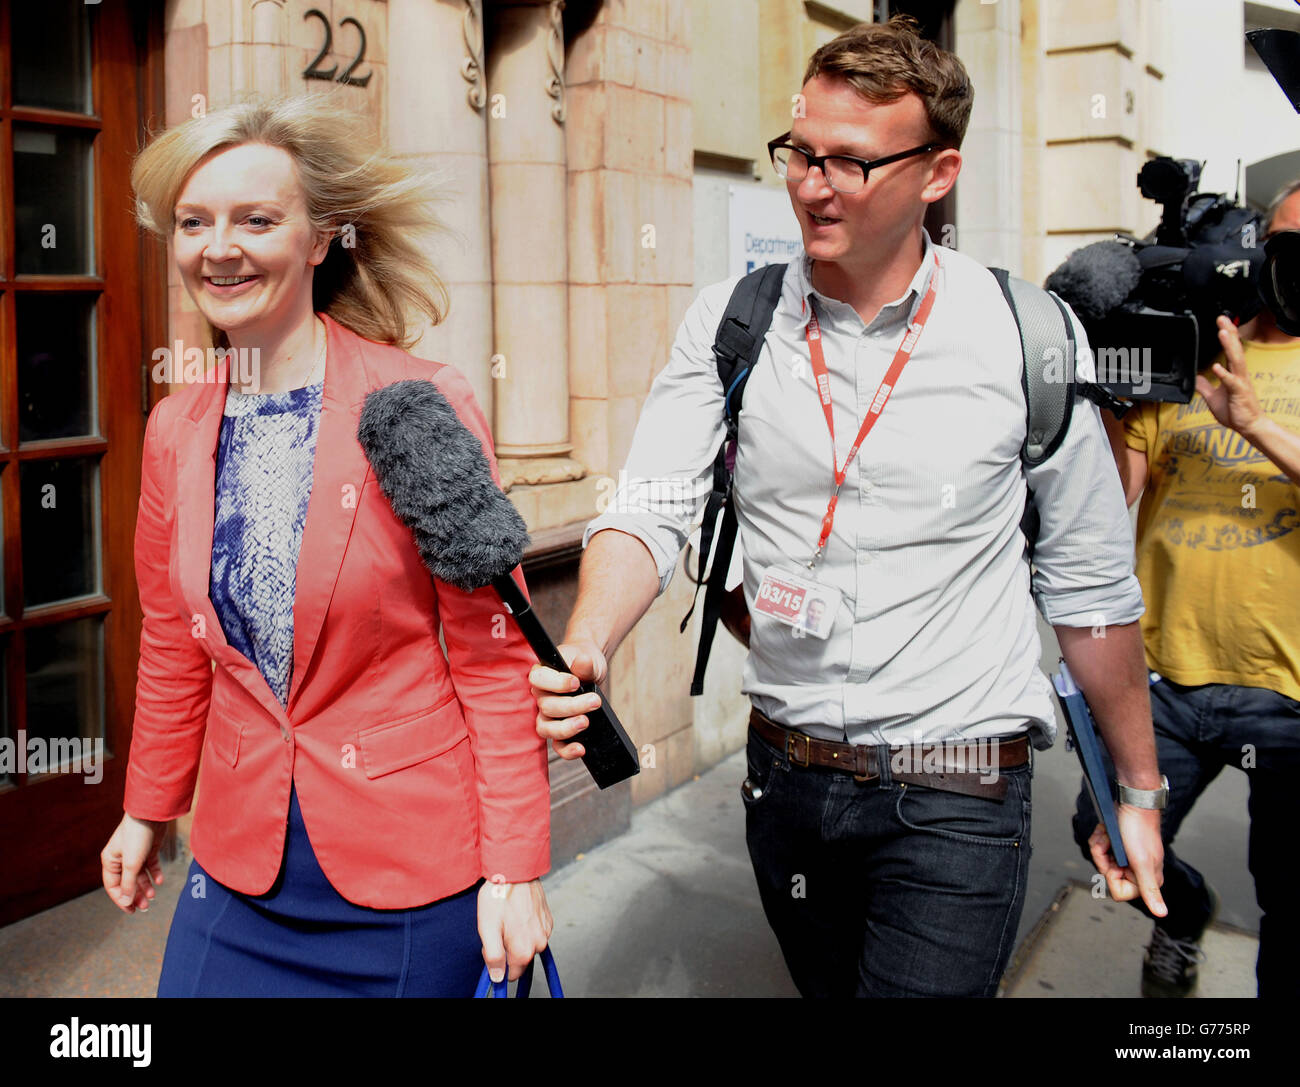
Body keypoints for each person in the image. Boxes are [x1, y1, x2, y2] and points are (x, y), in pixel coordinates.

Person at [529, 16, 1166, 998]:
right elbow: (651, 501)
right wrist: (593, 640)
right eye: (801, 154)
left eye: (851, 163)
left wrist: (1135, 786)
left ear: (937, 173)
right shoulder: (733, 319)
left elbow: (1089, 585)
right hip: (785, 778)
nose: (813, 185)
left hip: (958, 782)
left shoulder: (1025, 334)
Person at [98, 92, 553, 997]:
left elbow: (491, 653)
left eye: (256, 219)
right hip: (238, 860)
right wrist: (147, 807)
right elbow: (171, 641)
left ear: (320, 239)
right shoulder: (173, 428)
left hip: (410, 875)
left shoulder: (415, 403)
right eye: (194, 222)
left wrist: (515, 866)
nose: (218, 247)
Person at [1073, 180, 1300, 999]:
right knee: (1102, 832)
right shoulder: (1189, 357)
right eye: (1284, 241)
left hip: (1292, 696)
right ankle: (1183, 915)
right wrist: (1104, 389)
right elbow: (1106, 501)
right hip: (1166, 679)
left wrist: (1256, 425)